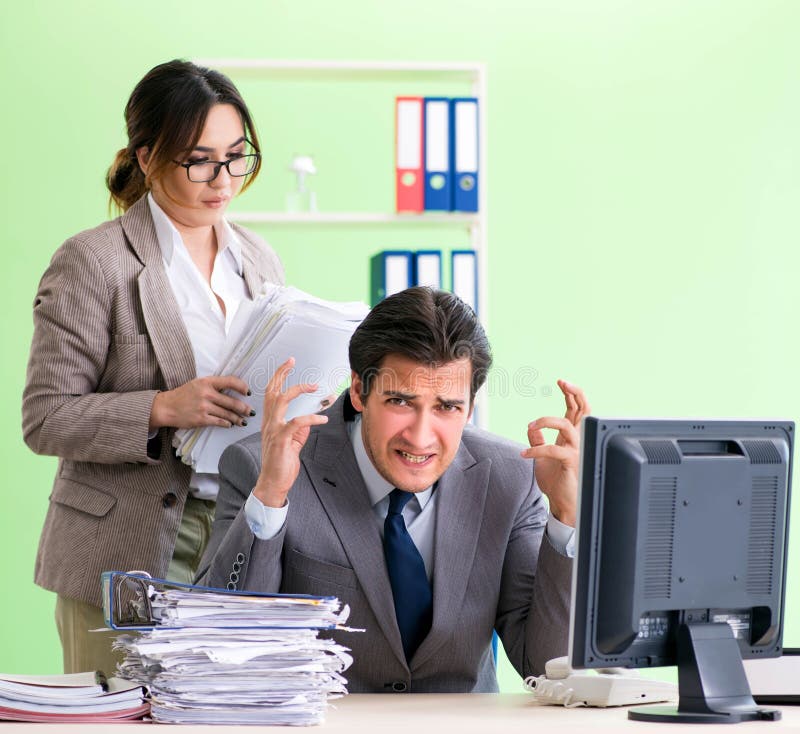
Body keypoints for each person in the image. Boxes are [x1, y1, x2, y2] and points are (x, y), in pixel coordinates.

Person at [22, 59, 285, 675]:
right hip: (128, 542)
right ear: (145, 158)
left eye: (237, 156)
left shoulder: (258, 257)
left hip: (237, 528)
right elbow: (45, 417)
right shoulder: (94, 261)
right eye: (198, 160)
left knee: (224, 708)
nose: (223, 179)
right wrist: (163, 407)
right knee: (122, 709)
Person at [197, 286, 590, 693]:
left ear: (469, 409)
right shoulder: (266, 467)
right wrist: (271, 498)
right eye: (400, 402)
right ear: (358, 390)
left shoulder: (510, 478)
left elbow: (547, 667)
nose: (421, 438)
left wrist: (567, 516)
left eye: (446, 407)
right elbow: (224, 647)